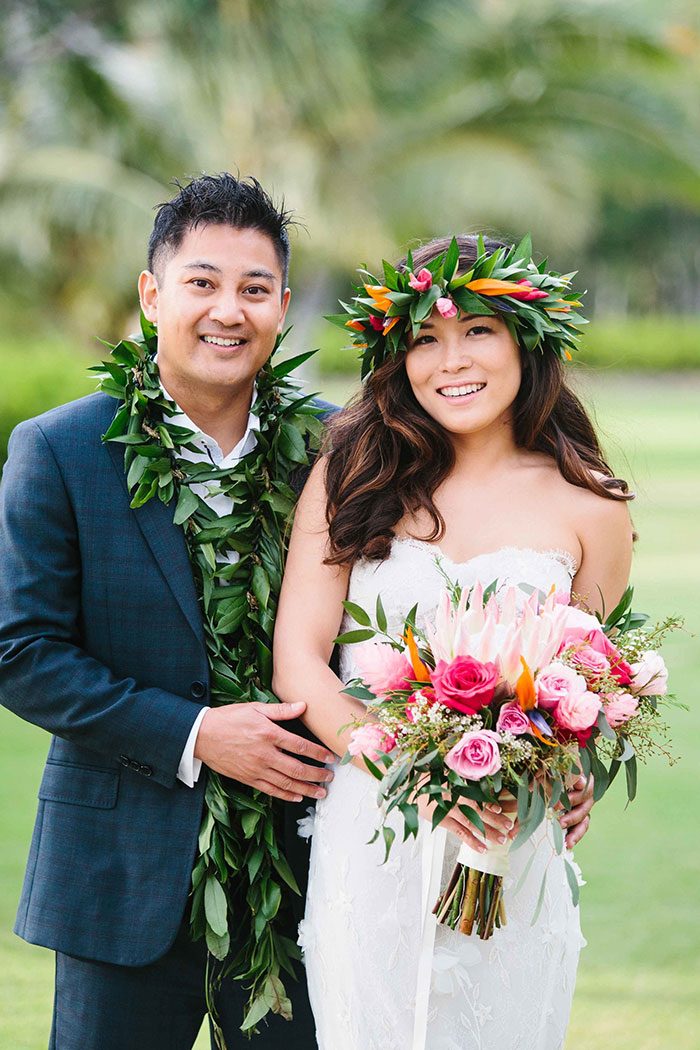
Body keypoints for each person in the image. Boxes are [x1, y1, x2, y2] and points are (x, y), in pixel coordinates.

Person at [0, 173, 336, 1050]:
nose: (229, 310)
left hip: (310, 874)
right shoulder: (60, 449)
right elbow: (22, 651)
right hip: (118, 878)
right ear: (153, 295)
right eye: (203, 282)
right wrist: (195, 734)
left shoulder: (342, 449)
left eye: (254, 290)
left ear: (283, 307)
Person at [273, 234, 631, 1050]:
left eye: (478, 331)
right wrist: (406, 768)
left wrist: (571, 774)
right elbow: (300, 654)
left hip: (512, 840)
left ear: (526, 342)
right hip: (373, 827)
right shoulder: (354, 472)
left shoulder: (593, 507)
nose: (450, 361)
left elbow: (594, 686)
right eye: (426, 339)